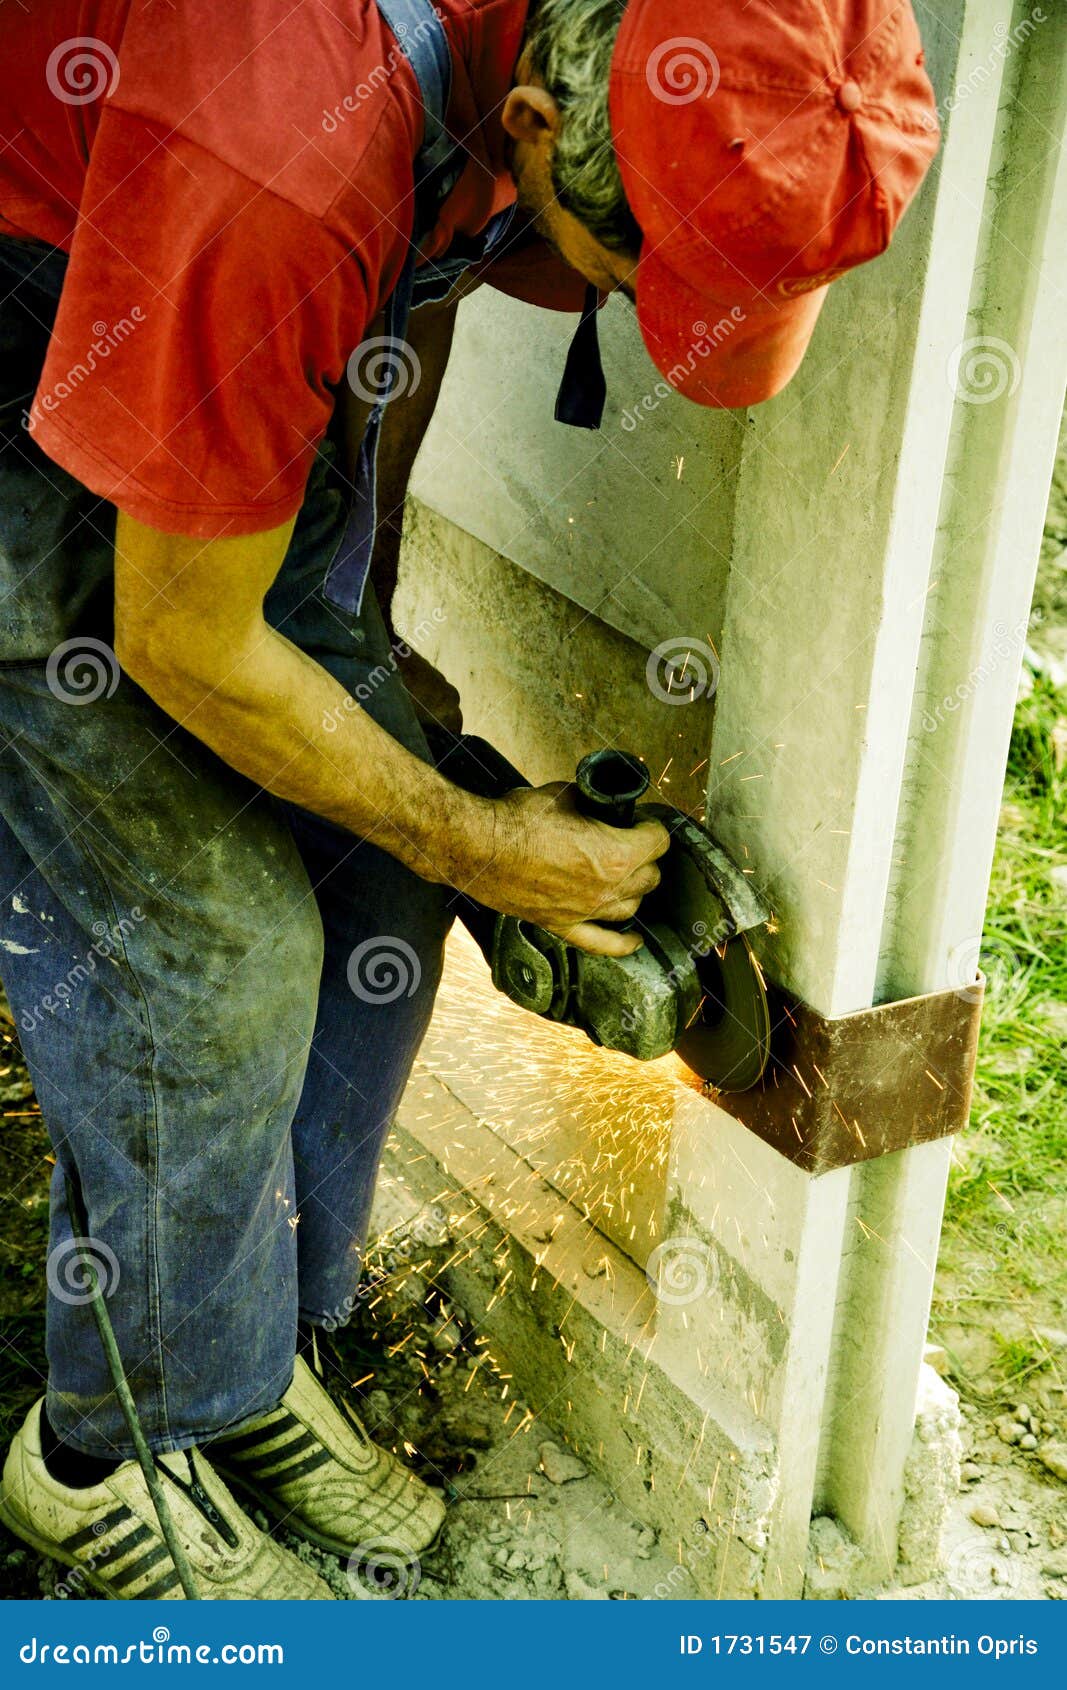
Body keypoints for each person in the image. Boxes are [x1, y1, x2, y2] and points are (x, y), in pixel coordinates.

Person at [0, 0, 938, 1599]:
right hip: (38, 334)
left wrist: (364, 659)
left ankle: (242, 1355)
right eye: (629, 279)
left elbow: (405, 288)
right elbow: (178, 634)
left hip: (207, 321)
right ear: (532, 128)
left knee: (378, 878)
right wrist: (491, 841)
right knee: (219, 957)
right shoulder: (277, 153)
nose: (629, 311)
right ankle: (103, 1455)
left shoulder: (574, 61)